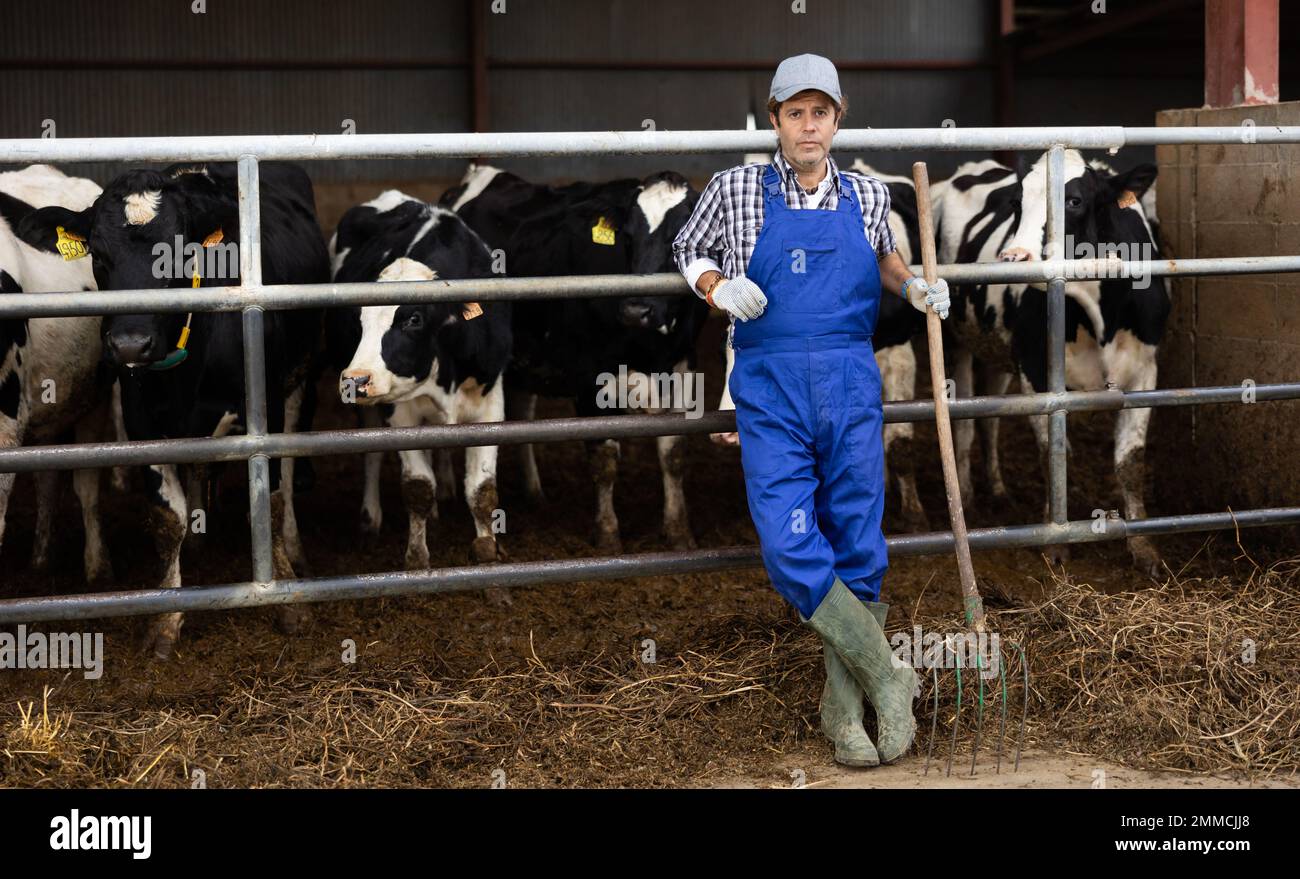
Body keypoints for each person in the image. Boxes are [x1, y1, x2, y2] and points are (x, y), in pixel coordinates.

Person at [671, 53, 952, 766]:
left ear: (837, 117)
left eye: (819, 112)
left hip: (851, 381)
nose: (807, 125)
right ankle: (889, 675)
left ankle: (842, 707)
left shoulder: (866, 194)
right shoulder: (736, 188)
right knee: (791, 542)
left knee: (859, 539)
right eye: (794, 112)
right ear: (774, 119)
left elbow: (888, 258)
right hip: (769, 386)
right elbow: (687, 246)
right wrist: (716, 287)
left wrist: (915, 287)